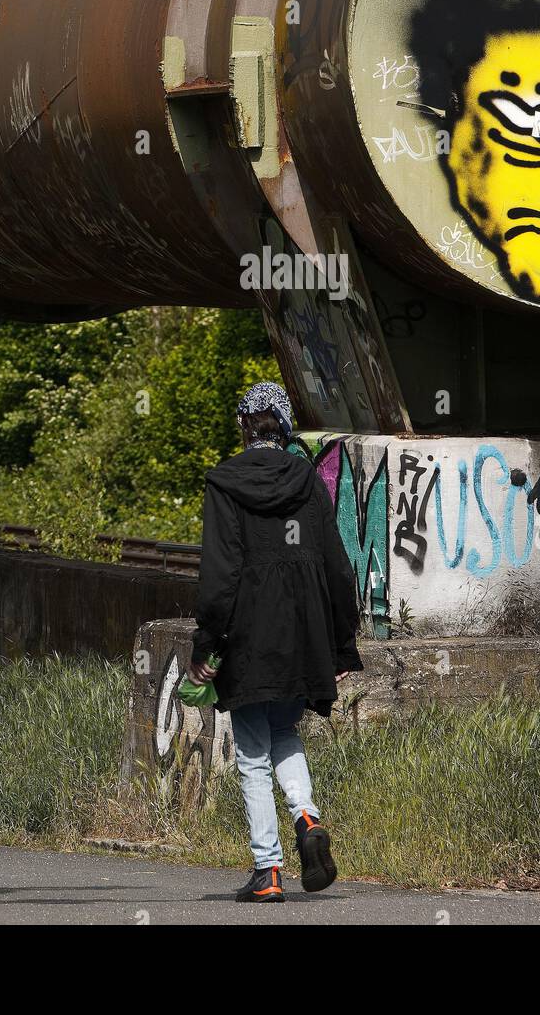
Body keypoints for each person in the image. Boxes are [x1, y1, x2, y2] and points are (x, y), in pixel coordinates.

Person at [187, 381, 363, 903]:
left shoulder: (224, 483)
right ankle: (307, 818)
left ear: (244, 426)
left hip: (247, 635)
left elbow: (220, 574)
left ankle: (268, 872)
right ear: (285, 427)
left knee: (252, 754)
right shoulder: (308, 480)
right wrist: (340, 644)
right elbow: (336, 564)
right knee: (285, 730)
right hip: (302, 634)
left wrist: (206, 643)